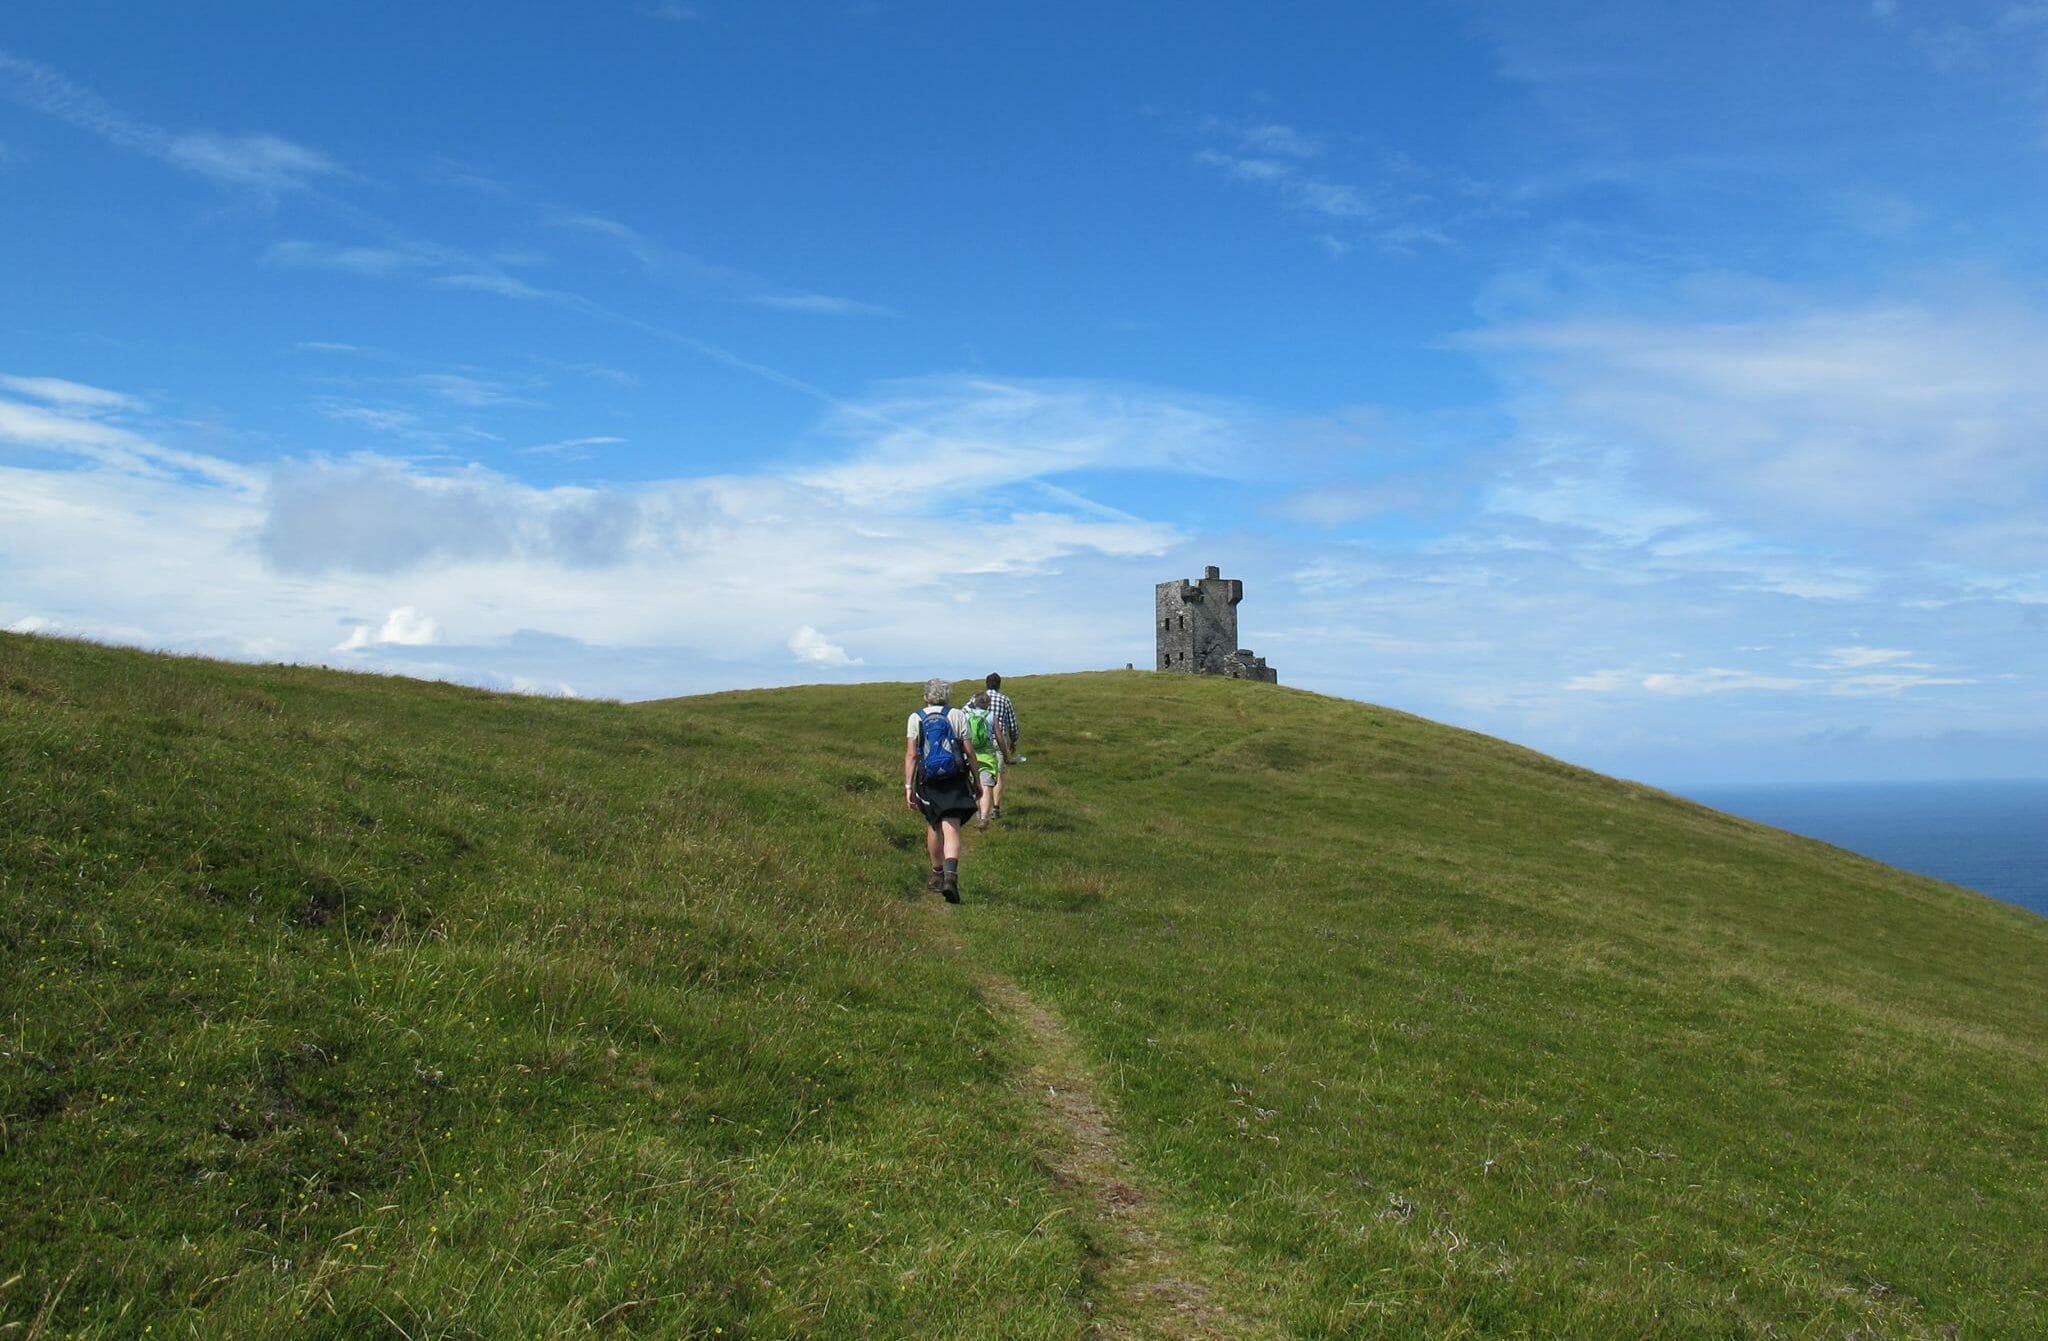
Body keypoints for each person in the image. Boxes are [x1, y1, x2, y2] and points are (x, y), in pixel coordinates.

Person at [904, 677, 981, 902]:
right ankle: (951, 877)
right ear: (947, 695)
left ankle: (937, 875)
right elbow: (969, 751)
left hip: (928, 780)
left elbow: (911, 754)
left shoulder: (915, 717)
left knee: (934, 824)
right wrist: (976, 780)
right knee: (952, 827)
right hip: (955, 778)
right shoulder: (957, 715)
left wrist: (908, 786)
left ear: (925, 696)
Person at [964, 691, 1013, 832]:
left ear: (974, 702)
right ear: (988, 705)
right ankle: (984, 817)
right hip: (987, 756)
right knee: (986, 787)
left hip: (969, 755)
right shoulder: (991, 716)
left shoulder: (966, 715)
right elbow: (1000, 739)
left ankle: (978, 813)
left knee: (975, 787)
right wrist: (1006, 756)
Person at [983, 672, 1021, 819]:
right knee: (999, 774)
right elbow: (1012, 724)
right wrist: (1013, 741)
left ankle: (981, 809)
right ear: (999, 685)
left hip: (980, 742)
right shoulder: (1005, 700)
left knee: (982, 773)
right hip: (999, 741)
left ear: (986, 684)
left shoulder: (977, 698)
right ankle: (996, 808)